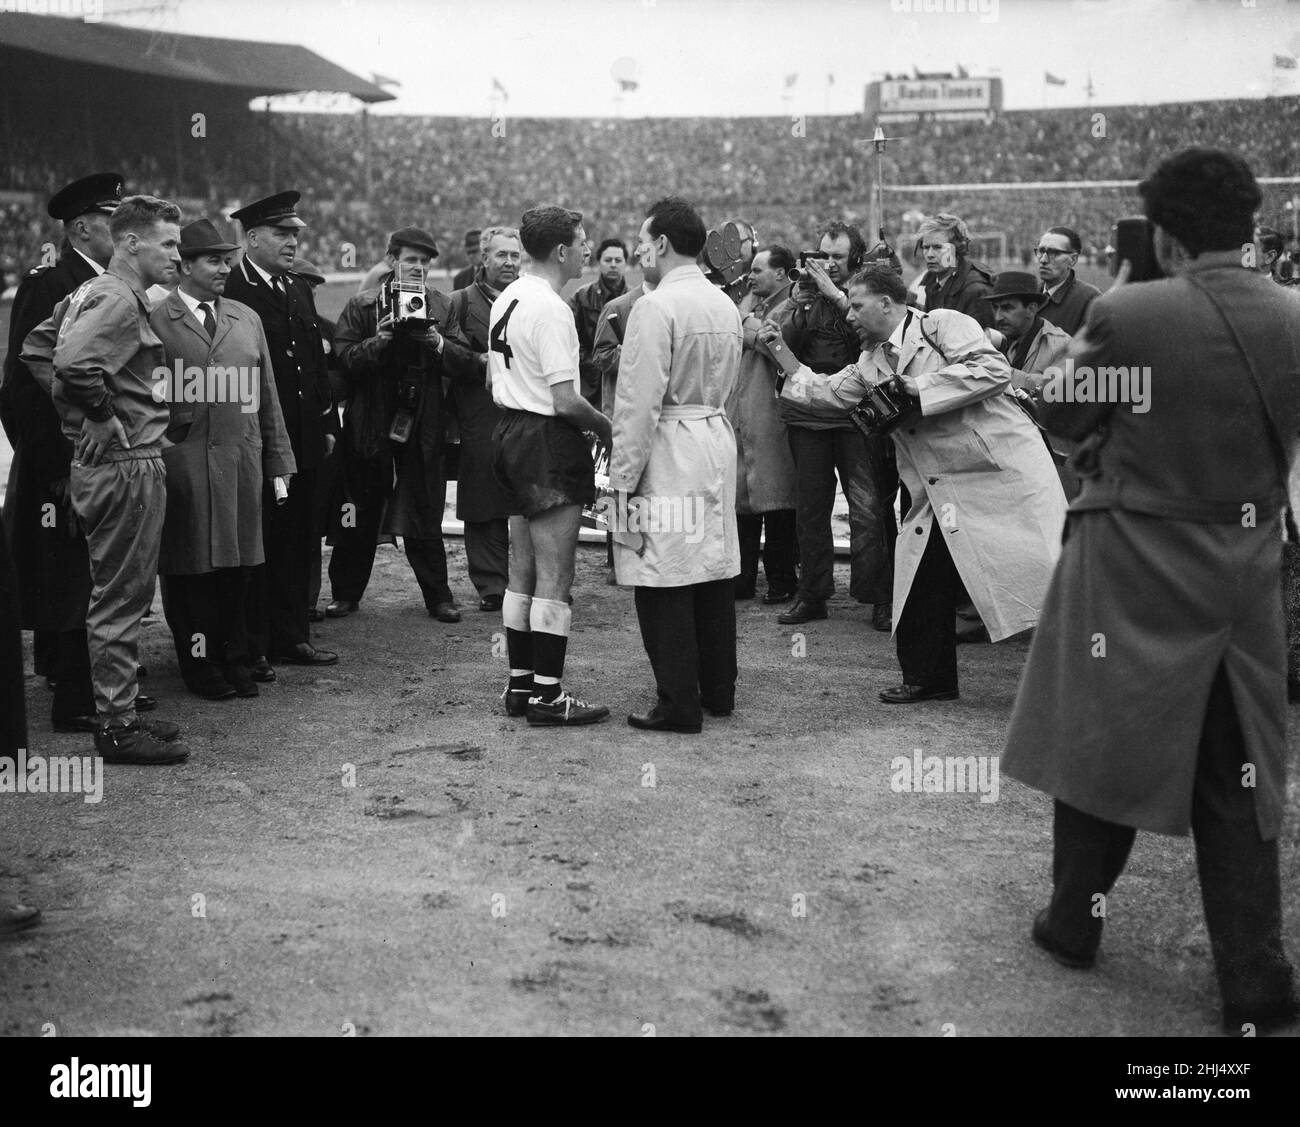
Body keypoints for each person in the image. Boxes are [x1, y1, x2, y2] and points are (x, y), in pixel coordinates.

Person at [1002, 148, 1300, 1035]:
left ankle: (1072, 922)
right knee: (1234, 760)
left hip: (1130, 560)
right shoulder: (1292, 318)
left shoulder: (1133, 311)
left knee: (1102, 747)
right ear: (1249, 226)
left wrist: (1127, 301)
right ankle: (1255, 973)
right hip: (1240, 567)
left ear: (1164, 231)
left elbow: (1060, 414)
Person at [762, 263, 1066, 703]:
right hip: (939, 488)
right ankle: (930, 679)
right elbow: (826, 392)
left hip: (999, 478)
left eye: (857, 305)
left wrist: (916, 387)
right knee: (922, 579)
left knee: (1046, 581)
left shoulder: (944, 323)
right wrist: (781, 357)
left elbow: (991, 370)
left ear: (887, 303)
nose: (849, 316)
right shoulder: (870, 362)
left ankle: (1084, 673)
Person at [41, 195, 190, 764]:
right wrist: (97, 416)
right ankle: (117, 726)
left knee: (119, 592)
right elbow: (73, 363)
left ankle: (118, 711)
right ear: (131, 242)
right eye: (168, 244)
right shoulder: (118, 297)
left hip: (120, 461)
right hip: (127, 464)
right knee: (122, 598)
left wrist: (72, 416)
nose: (177, 255)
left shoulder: (93, 291)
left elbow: (40, 348)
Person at [0, 172, 132, 733]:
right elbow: (22, 387)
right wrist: (56, 466)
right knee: (74, 580)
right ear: (82, 226)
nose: (124, 232)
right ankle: (76, 699)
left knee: (91, 575)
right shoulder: (51, 284)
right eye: (113, 220)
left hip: (97, 458)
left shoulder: (106, 282)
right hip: (66, 462)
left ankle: (86, 684)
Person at [149, 218, 297, 700]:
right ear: (184, 266)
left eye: (227, 259)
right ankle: (199, 665)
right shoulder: (155, 318)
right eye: (213, 260)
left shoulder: (244, 316)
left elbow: (267, 394)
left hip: (240, 459)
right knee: (191, 569)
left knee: (239, 567)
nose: (224, 268)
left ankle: (234, 657)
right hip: (184, 464)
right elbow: (145, 394)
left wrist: (278, 462)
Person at [612, 196, 743, 733]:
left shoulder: (655, 306)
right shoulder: (724, 304)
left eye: (643, 244)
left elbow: (637, 403)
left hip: (668, 442)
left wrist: (621, 480)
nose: (640, 253)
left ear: (662, 244)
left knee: (662, 575)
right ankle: (718, 690)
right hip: (714, 435)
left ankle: (677, 703)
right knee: (711, 568)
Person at [489, 204, 611, 726]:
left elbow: (496, 382)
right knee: (556, 576)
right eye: (583, 242)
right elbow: (565, 400)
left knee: (521, 573)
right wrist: (606, 426)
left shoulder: (507, 297)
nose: (587, 249)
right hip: (545, 440)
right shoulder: (552, 307)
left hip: (508, 433)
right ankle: (548, 695)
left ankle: (519, 687)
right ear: (562, 251)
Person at [330, 227, 478, 622]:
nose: (417, 268)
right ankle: (345, 593)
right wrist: (376, 342)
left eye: (424, 262)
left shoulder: (442, 307)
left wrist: (437, 342)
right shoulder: (363, 306)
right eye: (410, 259)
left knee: (424, 504)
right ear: (392, 261)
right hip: (371, 418)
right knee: (359, 505)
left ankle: (438, 597)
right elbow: (342, 361)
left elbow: (466, 361)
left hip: (423, 420)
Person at [224, 191, 338, 675]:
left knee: (299, 537)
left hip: (304, 435)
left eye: (295, 234)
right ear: (251, 238)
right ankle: (257, 642)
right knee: (261, 538)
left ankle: (292, 636)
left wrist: (327, 423)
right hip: (261, 438)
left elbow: (313, 363)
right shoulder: (232, 289)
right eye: (282, 233)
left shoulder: (296, 287)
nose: (293, 242)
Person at [776, 222, 894, 631]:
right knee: (810, 510)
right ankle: (813, 594)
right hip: (808, 415)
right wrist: (796, 305)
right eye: (823, 255)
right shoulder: (806, 296)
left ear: (855, 258)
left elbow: (872, 339)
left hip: (857, 415)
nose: (828, 264)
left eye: (837, 257)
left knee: (867, 509)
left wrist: (837, 296)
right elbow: (781, 346)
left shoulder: (862, 295)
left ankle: (878, 596)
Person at [444, 226, 522, 612]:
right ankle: (492, 585)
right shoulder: (459, 302)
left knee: (528, 498)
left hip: (526, 413)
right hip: (479, 411)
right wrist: (480, 362)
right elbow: (449, 355)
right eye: (501, 255)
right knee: (482, 499)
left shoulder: (533, 299)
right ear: (483, 258)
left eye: (514, 255)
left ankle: (527, 579)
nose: (508, 262)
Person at [730, 245, 797, 603]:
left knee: (778, 503)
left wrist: (740, 318)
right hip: (748, 417)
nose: (750, 276)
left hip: (773, 417)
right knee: (745, 501)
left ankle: (781, 580)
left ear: (781, 274)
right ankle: (744, 579)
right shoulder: (761, 306)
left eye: (757, 270)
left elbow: (775, 346)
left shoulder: (791, 306)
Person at [984, 270, 1076, 496]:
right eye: (995, 308)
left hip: (1054, 469)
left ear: (1032, 308)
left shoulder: (1060, 344)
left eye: (1007, 308)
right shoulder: (1009, 342)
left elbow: (1060, 391)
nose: (998, 317)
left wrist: (999, 372)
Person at [569, 237, 628, 408]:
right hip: (589, 385)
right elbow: (571, 338)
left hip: (625, 383)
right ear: (599, 263)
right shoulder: (581, 297)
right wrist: (593, 366)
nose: (613, 264)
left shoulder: (637, 300)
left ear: (625, 263)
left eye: (618, 260)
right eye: (608, 260)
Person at [916, 212, 995, 330]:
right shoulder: (933, 282)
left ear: (958, 248)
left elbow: (980, 344)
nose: (930, 255)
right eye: (926, 247)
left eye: (938, 247)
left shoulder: (975, 290)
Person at [1035, 225, 1102, 335]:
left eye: (1054, 253)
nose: (1043, 259)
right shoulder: (1030, 294)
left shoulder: (1090, 299)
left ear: (1073, 259)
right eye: (1041, 251)